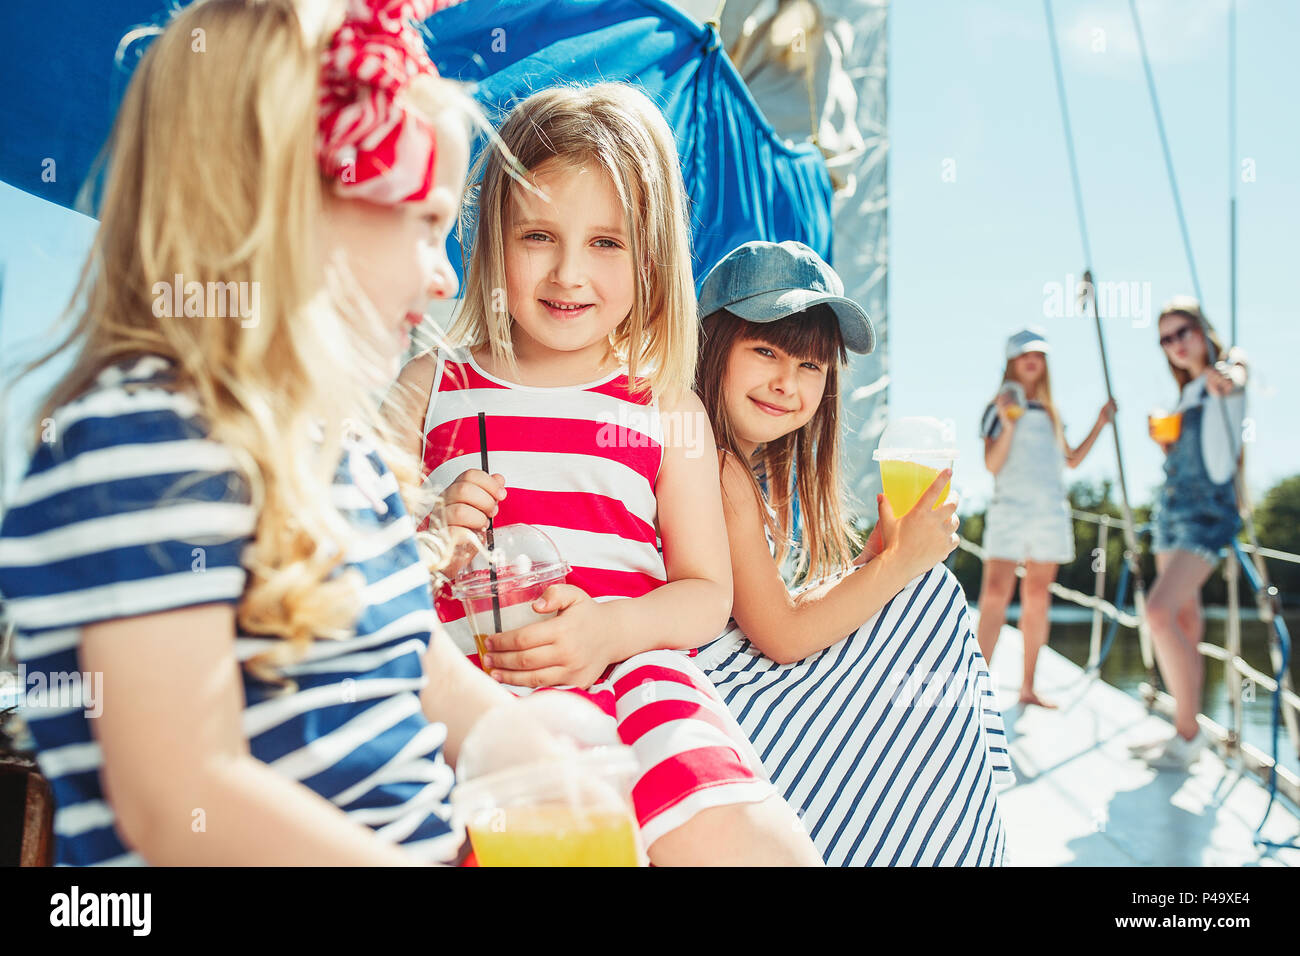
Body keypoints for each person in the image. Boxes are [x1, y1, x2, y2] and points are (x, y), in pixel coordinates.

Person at [0, 0, 553, 866]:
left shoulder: (351, 459)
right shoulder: (136, 449)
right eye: (425, 225)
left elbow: (427, 679)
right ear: (282, 207)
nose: (446, 277)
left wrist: (543, 749)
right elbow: (181, 793)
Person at [389, 85, 822, 865]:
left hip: (629, 680)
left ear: (650, 256)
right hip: (474, 689)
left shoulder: (665, 405)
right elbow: (360, 566)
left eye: (606, 243)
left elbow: (705, 594)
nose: (567, 273)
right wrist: (430, 534)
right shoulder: (430, 385)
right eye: (538, 237)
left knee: (753, 846)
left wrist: (610, 631)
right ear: (492, 239)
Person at [689, 240, 1015, 866]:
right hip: (716, 696)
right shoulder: (719, 464)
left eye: (811, 366)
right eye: (766, 350)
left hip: (730, 676)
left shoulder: (741, 470)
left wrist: (871, 567)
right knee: (930, 597)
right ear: (711, 344)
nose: (788, 382)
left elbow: (767, 611)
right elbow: (781, 637)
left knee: (918, 592)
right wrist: (897, 566)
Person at [1129, 299, 1246, 770]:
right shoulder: (1186, 393)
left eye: (1183, 332)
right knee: (1185, 622)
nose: (1176, 344)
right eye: (1166, 338)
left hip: (1206, 515)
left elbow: (1236, 374)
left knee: (1156, 612)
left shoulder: (1226, 373)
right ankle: (1184, 731)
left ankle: (1190, 734)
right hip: (1171, 512)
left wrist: (1228, 376)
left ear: (1203, 330)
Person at [975, 328, 1115, 708]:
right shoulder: (995, 407)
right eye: (1023, 355)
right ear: (1011, 362)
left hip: (1049, 512)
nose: (1031, 360)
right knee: (994, 595)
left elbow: (1070, 460)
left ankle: (1028, 687)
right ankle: (979, 688)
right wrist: (1007, 422)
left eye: (1037, 354)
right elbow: (991, 464)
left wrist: (1101, 423)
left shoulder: (1053, 412)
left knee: (1038, 597)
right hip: (1009, 509)